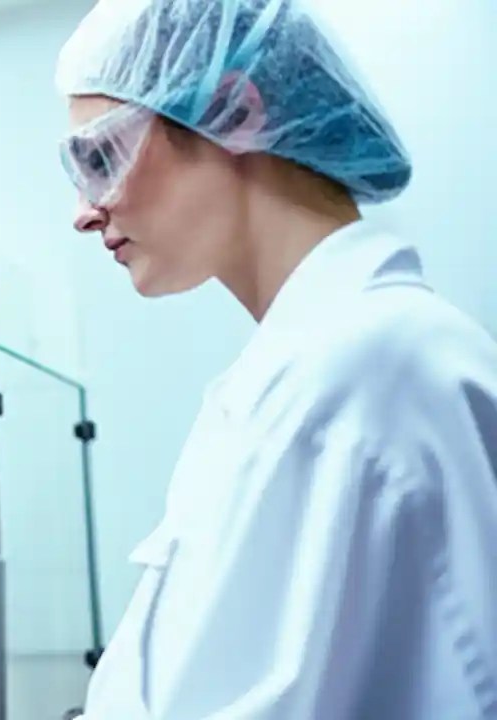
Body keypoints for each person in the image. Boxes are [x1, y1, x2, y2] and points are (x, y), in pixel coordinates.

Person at [55, 1, 497, 718]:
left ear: (233, 108)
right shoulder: (322, 366)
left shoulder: (358, 373)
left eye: (101, 157)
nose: (84, 210)